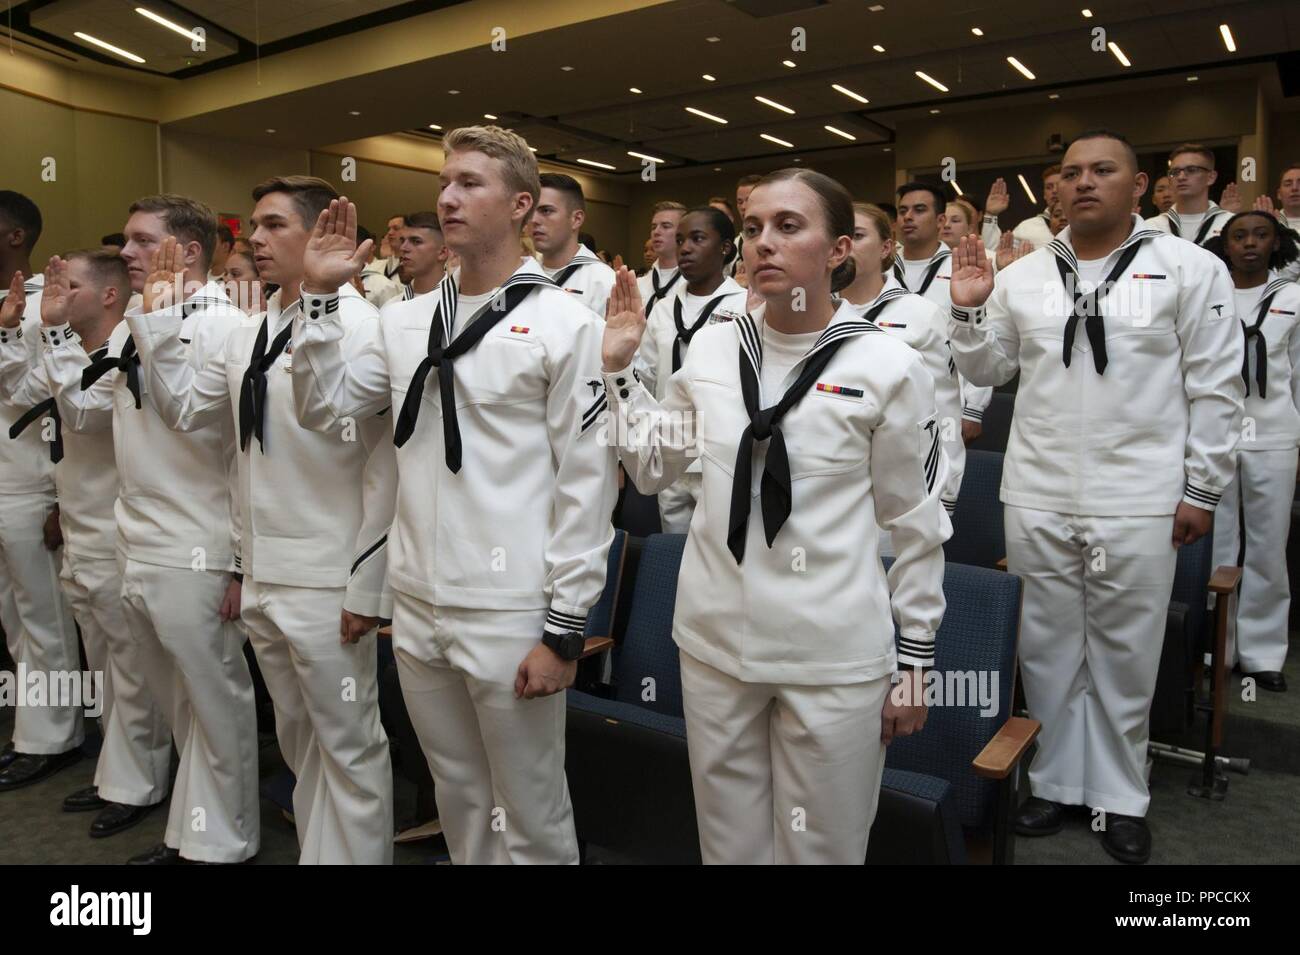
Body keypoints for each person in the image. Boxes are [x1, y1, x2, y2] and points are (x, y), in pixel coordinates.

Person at [289, 125, 618, 865]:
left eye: (470, 182)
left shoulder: (566, 322)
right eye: (445, 180)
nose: (447, 196)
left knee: (530, 805)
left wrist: (566, 625)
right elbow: (327, 407)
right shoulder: (403, 320)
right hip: (418, 601)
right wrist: (316, 301)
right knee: (459, 792)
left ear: (522, 205)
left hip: (509, 605)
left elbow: (587, 479)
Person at [602, 167, 949, 864]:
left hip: (832, 650)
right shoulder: (715, 346)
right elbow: (651, 466)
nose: (763, 242)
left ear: (839, 249)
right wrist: (615, 373)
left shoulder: (887, 365)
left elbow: (915, 522)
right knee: (727, 844)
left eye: (789, 226)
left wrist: (916, 661)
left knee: (821, 846)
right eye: (755, 227)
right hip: (715, 640)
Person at [947, 129, 1242, 865]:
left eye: (1102, 170)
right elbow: (988, 366)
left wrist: (1201, 488)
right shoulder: (1023, 275)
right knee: (1044, 648)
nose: (1083, 183)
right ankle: (1051, 778)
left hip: (1139, 493)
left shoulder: (1189, 269)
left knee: (1124, 650)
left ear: (1140, 186)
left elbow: (1216, 388)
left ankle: (1118, 795)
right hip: (1039, 489)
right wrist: (969, 309)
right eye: (1072, 172)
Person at [124, 175, 397, 864]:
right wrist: (157, 321)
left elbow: (381, 464)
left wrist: (368, 585)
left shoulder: (363, 325)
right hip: (268, 572)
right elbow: (187, 410)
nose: (255, 239)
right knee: (303, 743)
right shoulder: (252, 329)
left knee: (348, 743)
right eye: (253, 226)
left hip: (329, 574)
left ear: (320, 235)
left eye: (275, 225)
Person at [43, 194, 255, 865]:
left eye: (140, 241)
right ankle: (194, 828)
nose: (125, 253)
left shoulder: (226, 322)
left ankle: (226, 840)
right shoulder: (140, 318)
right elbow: (84, 413)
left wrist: (238, 561)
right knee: (179, 702)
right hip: (137, 536)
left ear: (186, 252)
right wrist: (51, 334)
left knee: (215, 702)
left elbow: (191, 415)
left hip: (198, 540)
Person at [0, 250, 170, 834]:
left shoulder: (129, 346)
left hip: (120, 526)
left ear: (107, 296)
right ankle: (117, 771)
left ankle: (139, 781)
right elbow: (25, 392)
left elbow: (84, 412)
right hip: (80, 520)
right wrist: (19, 332)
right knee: (103, 658)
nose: (57, 294)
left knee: (131, 664)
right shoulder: (67, 345)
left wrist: (51, 335)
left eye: (69, 285)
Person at [0, 190, 83, 791]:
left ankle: (53, 736)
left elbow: (54, 400)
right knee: (13, 620)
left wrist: (60, 496)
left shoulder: (42, 308)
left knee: (45, 619)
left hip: (30, 483)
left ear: (15, 237)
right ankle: (35, 726)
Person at [1206, 211, 1300, 692]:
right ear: (1224, 245)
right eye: (1238, 236)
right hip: (1215, 434)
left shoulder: (1293, 297)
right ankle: (1216, 647)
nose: (1249, 244)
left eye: (1260, 235)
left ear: (1275, 242)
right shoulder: (1209, 291)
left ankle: (1263, 652)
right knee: (1217, 542)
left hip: (1274, 433)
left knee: (1267, 544)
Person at [844, 202, 963, 517]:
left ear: (885, 247)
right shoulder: (814, 313)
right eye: (837, 236)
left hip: (900, 486)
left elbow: (943, 408)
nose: (844, 246)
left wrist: (944, 493)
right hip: (836, 484)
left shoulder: (920, 314)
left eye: (857, 235)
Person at [636, 206, 747, 533]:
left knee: (719, 550)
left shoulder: (744, 306)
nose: (685, 248)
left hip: (720, 448)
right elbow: (647, 376)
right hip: (672, 445)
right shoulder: (664, 309)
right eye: (681, 239)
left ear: (725, 248)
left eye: (698, 239)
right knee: (673, 550)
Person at [895, 181, 991, 442]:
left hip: (945, 398)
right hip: (887, 396)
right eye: (902, 210)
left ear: (940, 220)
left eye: (919, 209)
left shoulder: (963, 269)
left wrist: (974, 409)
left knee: (941, 478)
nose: (908, 217)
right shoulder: (881, 271)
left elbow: (978, 336)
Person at [533, 174, 615, 316]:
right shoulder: (523, 272)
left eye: (546, 211)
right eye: (531, 211)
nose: (533, 220)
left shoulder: (604, 281)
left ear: (576, 219)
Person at [1144, 143, 1233, 246]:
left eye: (1191, 170)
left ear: (1211, 177)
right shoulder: (1151, 227)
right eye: (1175, 172)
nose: (1181, 177)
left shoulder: (1229, 223)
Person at [637, 201, 686, 315]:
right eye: (654, 227)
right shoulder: (639, 284)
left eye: (666, 226)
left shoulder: (695, 284)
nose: (656, 232)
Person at [396, 210, 449, 300]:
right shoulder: (391, 306)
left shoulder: (460, 302)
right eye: (402, 241)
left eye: (416, 241)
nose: (403, 248)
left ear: (442, 252)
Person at [726, 175, 762, 277]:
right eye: (740, 202)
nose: (743, 207)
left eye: (749, 200)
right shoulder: (734, 245)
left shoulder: (779, 241)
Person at [222, 246, 265, 316]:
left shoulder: (271, 317)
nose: (226, 279)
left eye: (235, 274)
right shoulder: (217, 311)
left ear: (260, 281)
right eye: (226, 273)